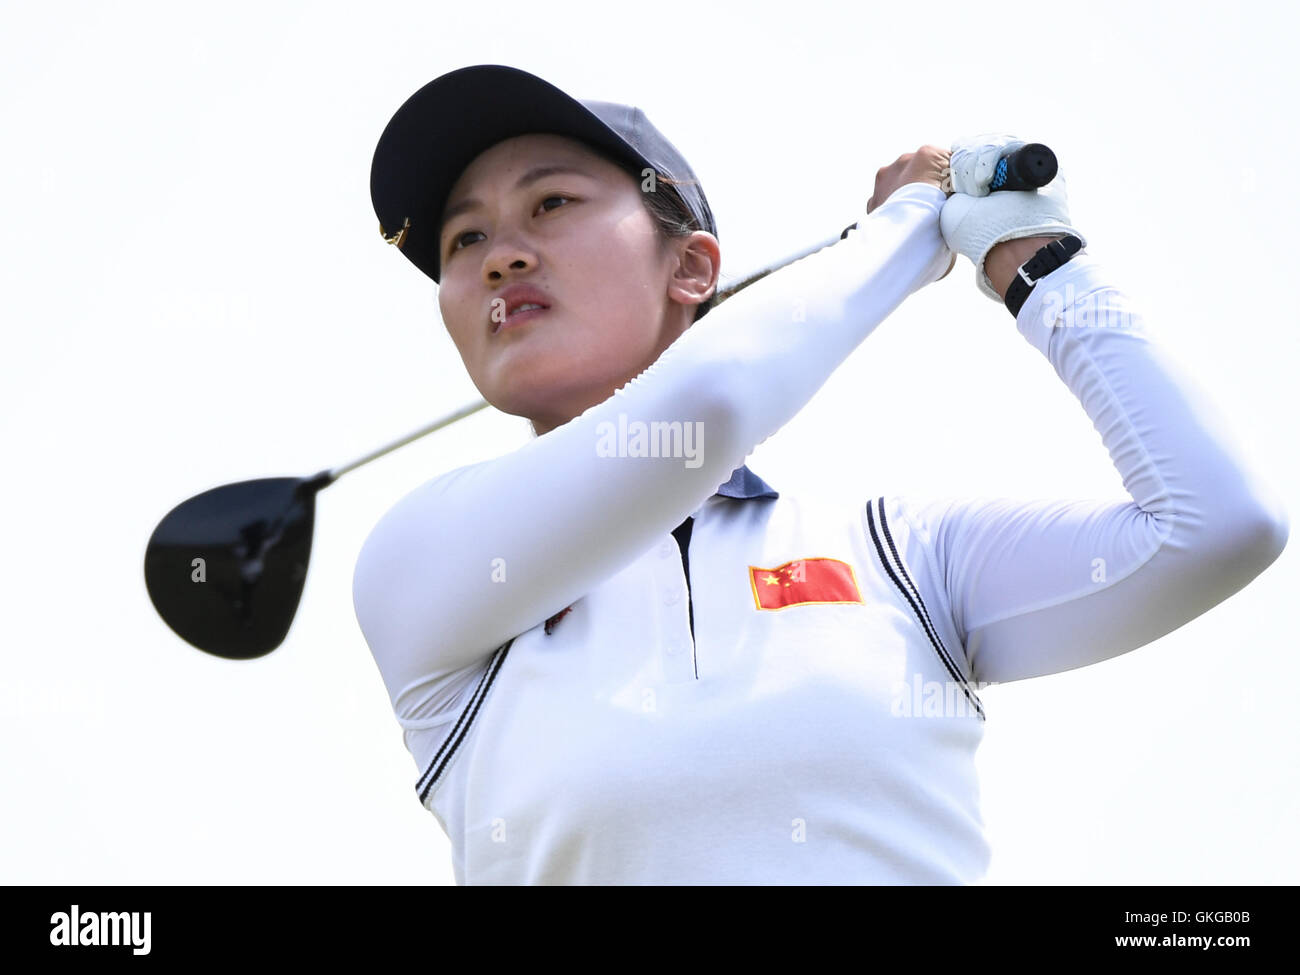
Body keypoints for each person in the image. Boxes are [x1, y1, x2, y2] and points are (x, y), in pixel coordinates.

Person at [353, 64, 1289, 885]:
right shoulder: (425, 564)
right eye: (462, 240)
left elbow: (1215, 524)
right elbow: (708, 406)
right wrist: (906, 231)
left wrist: (1038, 264)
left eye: (550, 203)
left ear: (692, 268)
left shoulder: (896, 554)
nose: (501, 255)